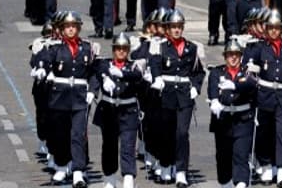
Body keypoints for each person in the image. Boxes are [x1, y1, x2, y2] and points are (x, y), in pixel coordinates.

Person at [32, 11, 95, 187]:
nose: (71, 30)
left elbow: (94, 72)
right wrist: (42, 69)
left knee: (78, 134)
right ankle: (61, 166)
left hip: (80, 97)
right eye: (67, 27)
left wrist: (93, 90)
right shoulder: (54, 48)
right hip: (59, 97)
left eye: (74, 26)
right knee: (60, 134)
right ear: (61, 29)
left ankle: (77, 171)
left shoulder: (87, 48)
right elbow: (43, 60)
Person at [147, 10, 206, 187]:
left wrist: (196, 87)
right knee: (166, 132)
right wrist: (157, 78)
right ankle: (166, 165)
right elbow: (154, 64)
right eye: (173, 27)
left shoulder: (192, 47)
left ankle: (181, 171)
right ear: (167, 29)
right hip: (166, 94)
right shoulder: (160, 46)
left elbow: (199, 72)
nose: (177, 30)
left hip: (185, 95)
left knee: (182, 133)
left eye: (179, 27)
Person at [245, 10, 282, 187]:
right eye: (271, 28)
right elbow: (248, 72)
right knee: (265, 132)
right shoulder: (258, 47)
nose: (274, 31)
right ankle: (267, 164)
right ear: (266, 29)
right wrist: (255, 82)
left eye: (277, 28)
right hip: (265, 95)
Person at [93, 32, 147, 188]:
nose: (121, 51)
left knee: (128, 146)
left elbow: (137, 76)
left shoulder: (134, 66)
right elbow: (98, 69)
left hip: (128, 111)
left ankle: (128, 178)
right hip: (109, 111)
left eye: (124, 48)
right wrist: (105, 77)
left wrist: (122, 74)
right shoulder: (105, 64)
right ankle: (110, 178)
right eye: (118, 48)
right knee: (109, 146)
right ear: (113, 50)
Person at [209, 37, 258, 188]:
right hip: (223, 121)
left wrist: (235, 85)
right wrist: (214, 100)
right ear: (225, 56)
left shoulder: (248, 72)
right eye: (230, 54)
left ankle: (241, 184)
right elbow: (212, 88)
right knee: (223, 157)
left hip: (242, 120)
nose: (233, 57)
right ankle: (226, 183)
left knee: (241, 156)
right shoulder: (217, 72)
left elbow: (251, 84)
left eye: (236, 54)